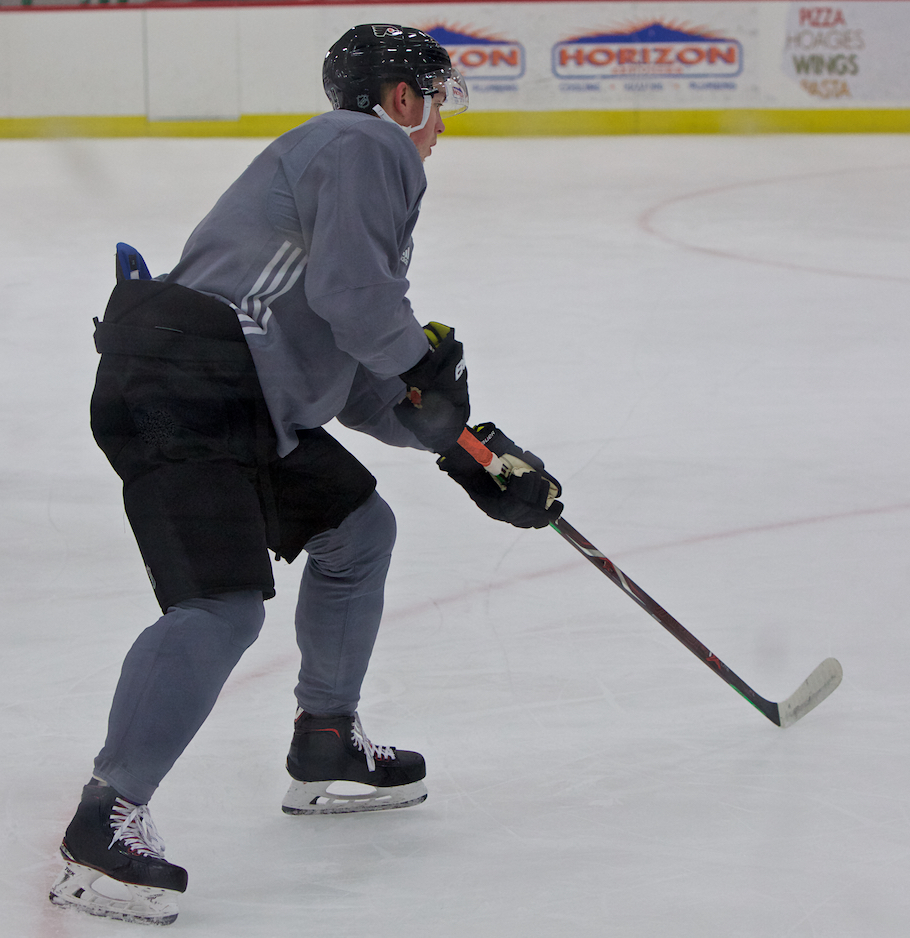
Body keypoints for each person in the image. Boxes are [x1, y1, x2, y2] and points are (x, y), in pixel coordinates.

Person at [49, 24, 562, 927]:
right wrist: (425, 373)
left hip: (236, 392)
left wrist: (467, 449)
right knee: (219, 606)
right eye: (434, 97)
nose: (441, 121)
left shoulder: (343, 169)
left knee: (358, 529)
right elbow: (362, 309)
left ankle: (327, 742)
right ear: (400, 97)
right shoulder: (365, 145)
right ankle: (105, 822)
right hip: (188, 381)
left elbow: (357, 377)